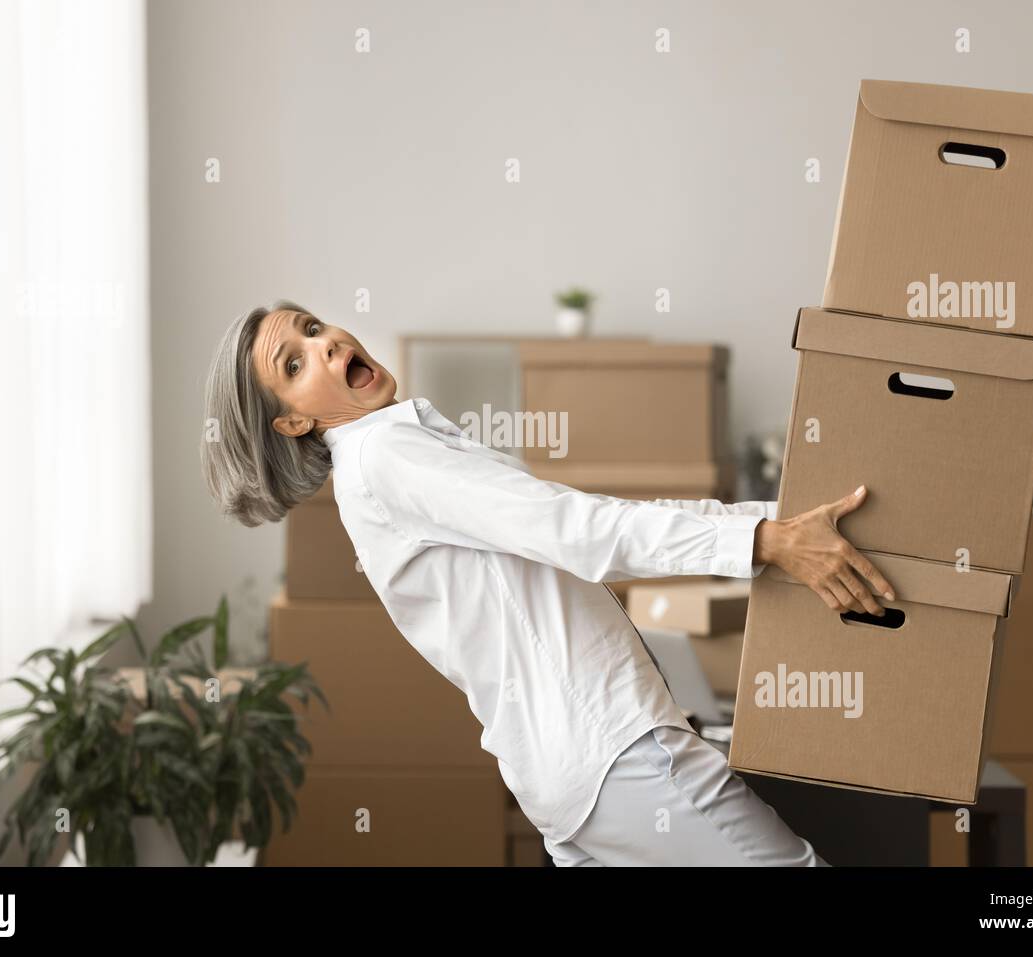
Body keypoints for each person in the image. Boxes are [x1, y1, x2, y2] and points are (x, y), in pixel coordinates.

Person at [201, 300, 896, 867]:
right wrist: (765, 539)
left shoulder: (388, 464)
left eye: (314, 327)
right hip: (613, 756)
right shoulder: (385, 456)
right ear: (292, 422)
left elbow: (579, 521)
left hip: (570, 785)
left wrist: (771, 521)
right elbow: (581, 529)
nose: (324, 345)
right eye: (293, 363)